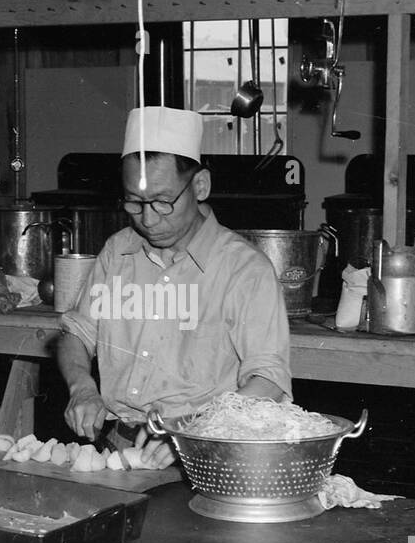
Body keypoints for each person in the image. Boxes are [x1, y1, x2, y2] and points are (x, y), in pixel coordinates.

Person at [58, 106, 292, 468]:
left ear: (200, 186)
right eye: (134, 202)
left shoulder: (244, 269)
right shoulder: (118, 252)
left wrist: (195, 433)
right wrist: (81, 387)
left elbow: (269, 380)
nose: (148, 219)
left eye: (163, 202)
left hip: (207, 453)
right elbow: (78, 332)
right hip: (118, 446)